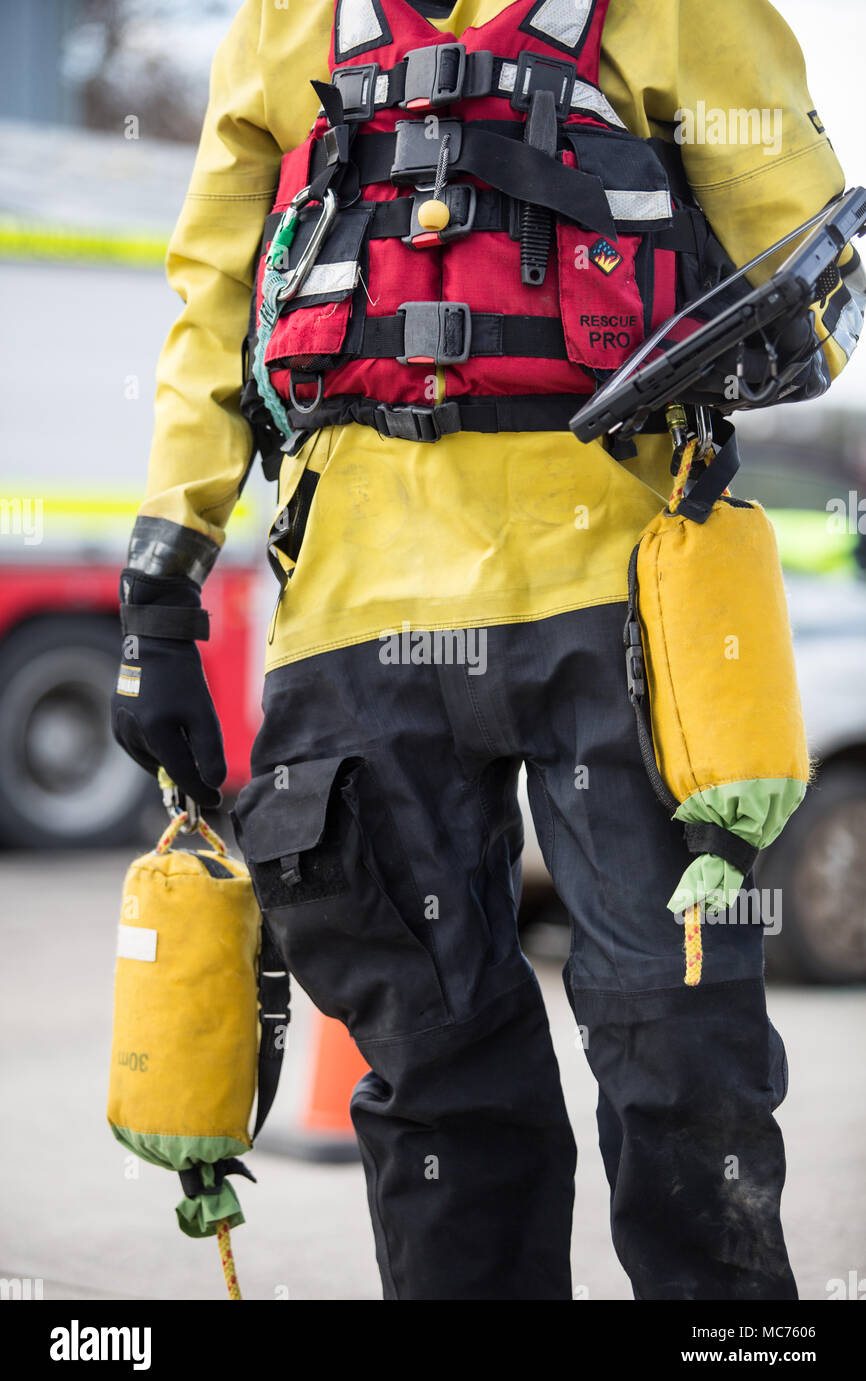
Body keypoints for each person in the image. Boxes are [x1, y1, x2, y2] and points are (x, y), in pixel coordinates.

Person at [111, 0, 863, 1300]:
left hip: (619, 596)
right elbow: (213, 303)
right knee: (437, 1077)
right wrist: (163, 579)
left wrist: (768, 338)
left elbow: (806, 258)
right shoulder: (282, 26)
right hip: (356, 613)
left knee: (678, 1048)